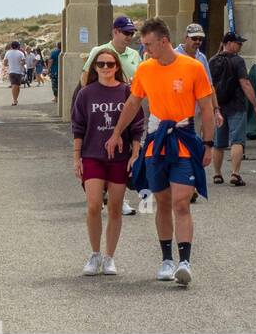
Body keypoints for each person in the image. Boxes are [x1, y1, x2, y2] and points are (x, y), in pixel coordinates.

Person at [105, 17, 214, 287]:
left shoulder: (193, 67)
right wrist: (117, 132)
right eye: (143, 45)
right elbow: (132, 103)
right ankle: (167, 260)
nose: (145, 50)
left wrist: (209, 143)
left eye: (149, 44)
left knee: (181, 202)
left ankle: (185, 262)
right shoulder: (145, 69)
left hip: (184, 137)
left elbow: (208, 108)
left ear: (163, 42)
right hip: (156, 140)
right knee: (162, 202)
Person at [72, 48, 144, 275]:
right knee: (93, 205)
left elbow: (137, 126)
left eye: (110, 64)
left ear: (117, 67)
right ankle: (94, 254)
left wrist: (134, 154)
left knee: (115, 208)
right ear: (94, 67)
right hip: (92, 155)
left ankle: (110, 257)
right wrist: (76, 158)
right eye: (101, 64)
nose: (105, 68)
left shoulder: (126, 92)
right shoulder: (86, 94)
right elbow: (78, 127)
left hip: (119, 158)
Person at [208, 32, 256, 186]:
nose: (240, 46)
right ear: (229, 43)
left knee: (218, 143)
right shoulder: (237, 61)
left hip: (218, 107)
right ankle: (235, 173)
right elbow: (245, 83)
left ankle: (217, 174)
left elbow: (208, 86)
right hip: (236, 106)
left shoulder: (212, 60)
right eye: (238, 43)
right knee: (237, 141)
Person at [82, 16, 141, 85]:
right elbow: (85, 76)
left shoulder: (135, 54)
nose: (129, 37)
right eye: (126, 33)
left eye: (132, 34)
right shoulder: (98, 51)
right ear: (115, 32)